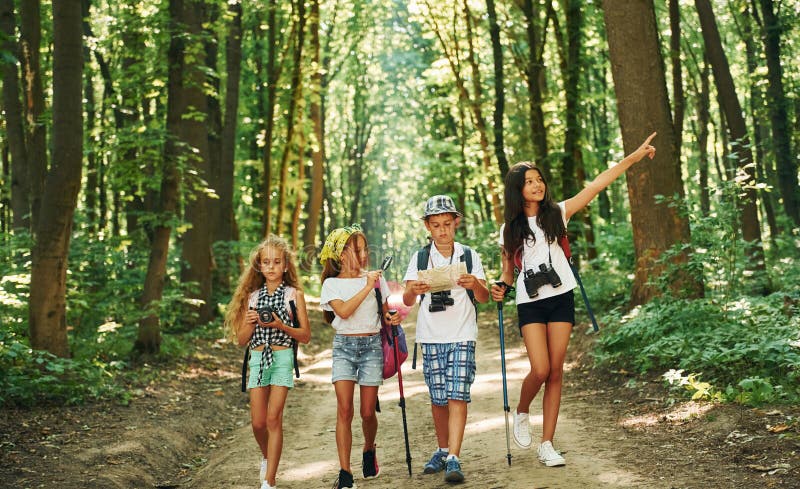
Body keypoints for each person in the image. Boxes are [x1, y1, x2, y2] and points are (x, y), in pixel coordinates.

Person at [490, 133, 657, 467]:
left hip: (561, 296)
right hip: (530, 301)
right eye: (529, 182)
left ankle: (547, 443)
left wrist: (633, 158)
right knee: (540, 368)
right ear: (516, 190)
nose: (537, 185)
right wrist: (500, 287)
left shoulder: (559, 213)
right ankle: (522, 411)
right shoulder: (509, 229)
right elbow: (508, 272)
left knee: (556, 371)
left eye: (539, 180)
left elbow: (596, 185)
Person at [401, 195, 489, 484]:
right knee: (438, 397)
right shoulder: (420, 257)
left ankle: (454, 456)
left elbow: (484, 297)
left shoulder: (469, 255)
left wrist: (474, 283)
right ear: (427, 226)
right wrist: (415, 289)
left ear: (456, 223)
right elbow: (406, 299)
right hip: (431, 336)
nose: (442, 230)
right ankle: (441, 449)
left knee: (457, 393)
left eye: (447, 224)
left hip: (463, 333)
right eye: (436, 225)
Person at [225, 235, 312, 489]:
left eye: (277, 262)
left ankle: (269, 480)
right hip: (257, 359)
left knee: (274, 419)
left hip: (282, 357)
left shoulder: (294, 295)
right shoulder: (251, 298)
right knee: (258, 423)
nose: (271, 267)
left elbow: (305, 336)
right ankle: (267, 456)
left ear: (285, 266)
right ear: (259, 266)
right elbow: (241, 340)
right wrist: (250, 322)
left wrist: (279, 324)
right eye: (266, 262)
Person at [319, 224, 401, 489]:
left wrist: (392, 317)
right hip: (344, 348)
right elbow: (342, 312)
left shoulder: (377, 280)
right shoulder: (331, 284)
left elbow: (386, 315)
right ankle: (345, 473)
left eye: (365, 249)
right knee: (345, 410)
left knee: (367, 412)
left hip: (371, 347)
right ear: (341, 255)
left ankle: (369, 448)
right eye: (357, 250)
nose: (364, 254)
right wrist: (368, 285)